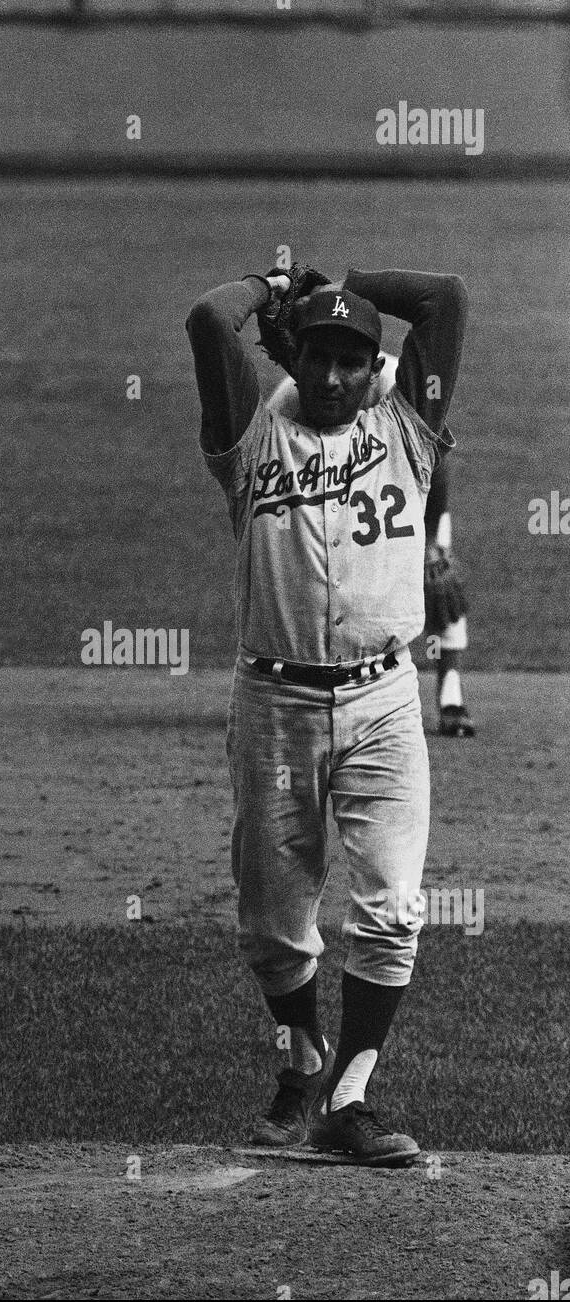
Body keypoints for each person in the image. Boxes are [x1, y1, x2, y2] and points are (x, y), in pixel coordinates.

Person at [186, 260, 468, 1165]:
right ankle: (301, 1054)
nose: (337, 377)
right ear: (293, 357)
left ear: (374, 367)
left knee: (392, 906)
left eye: (355, 360)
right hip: (273, 702)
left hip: (385, 698)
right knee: (273, 924)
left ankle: (350, 1095)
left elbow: (444, 299)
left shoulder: (406, 427)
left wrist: (348, 282)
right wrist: (266, 291)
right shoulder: (250, 438)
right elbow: (204, 320)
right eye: (320, 357)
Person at [269, 354, 475, 736]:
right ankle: (311, 684)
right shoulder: (288, 403)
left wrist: (431, 544)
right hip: (328, 496)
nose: (333, 381)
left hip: (408, 491)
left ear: (372, 369)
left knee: (441, 579)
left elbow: (438, 461)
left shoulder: (397, 382)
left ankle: (451, 694)